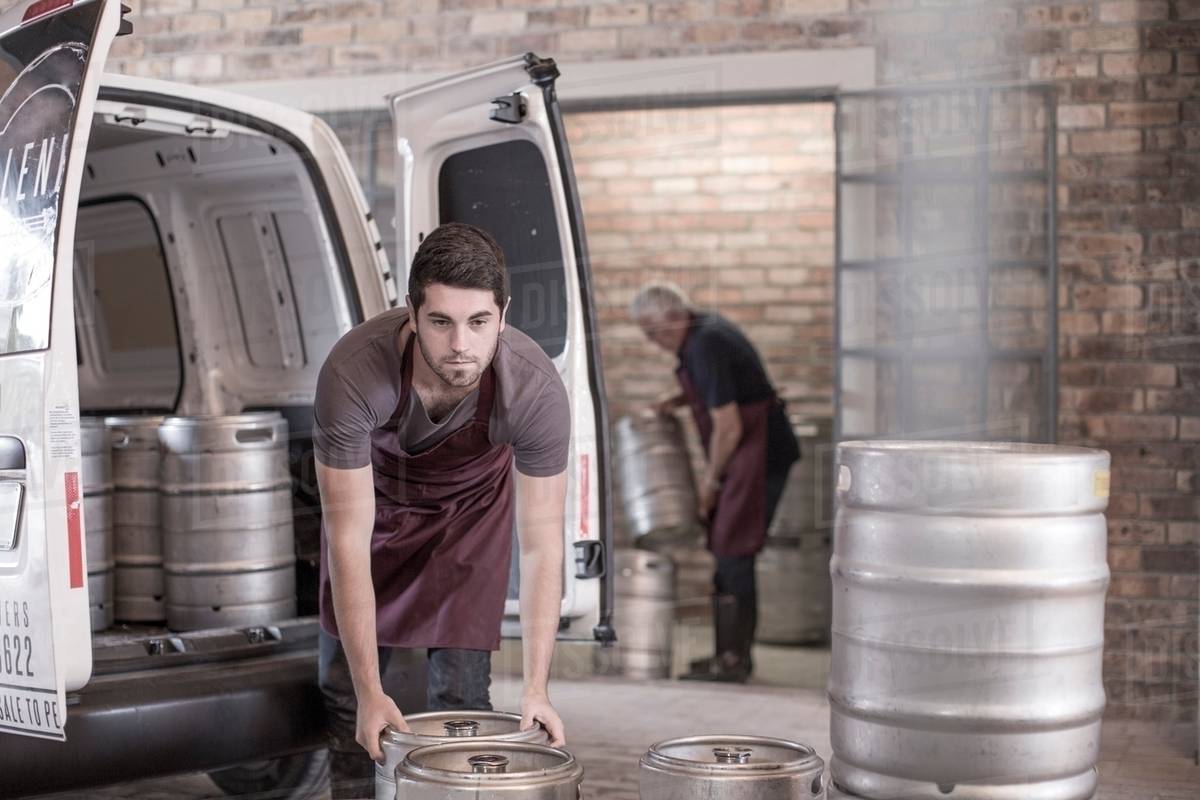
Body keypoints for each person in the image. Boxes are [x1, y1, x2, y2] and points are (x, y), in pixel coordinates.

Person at [313, 223, 570, 798]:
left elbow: (541, 545)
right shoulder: (353, 374)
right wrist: (371, 691)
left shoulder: (535, 392)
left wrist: (536, 688)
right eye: (441, 321)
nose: (460, 344)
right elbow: (347, 539)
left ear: (503, 315)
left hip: (469, 516)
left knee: (458, 698)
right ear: (411, 312)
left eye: (479, 322)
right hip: (374, 510)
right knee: (344, 691)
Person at [631, 283, 800, 683]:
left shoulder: (705, 344)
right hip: (752, 450)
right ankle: (728, 655)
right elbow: (721, 388)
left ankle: (733, 662)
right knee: (727, 546)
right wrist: (675, 401)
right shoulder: (705, 330)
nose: (654, 343)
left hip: (758, 453)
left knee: (734, 548)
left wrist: (711, 483)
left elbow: (728, 424)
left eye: (654, 333)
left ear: (673, 317)